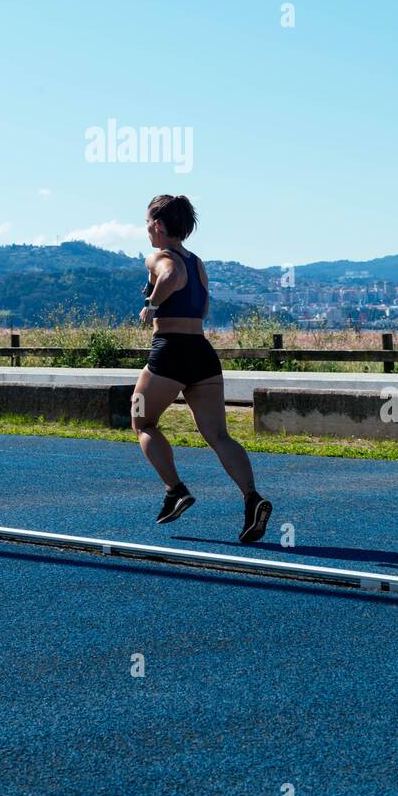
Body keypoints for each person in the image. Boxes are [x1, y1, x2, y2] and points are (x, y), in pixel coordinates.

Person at [131, 193, 272, 543]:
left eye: (147, 222)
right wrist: (160, 292)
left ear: (158, 225)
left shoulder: (160, 257)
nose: (146, 228)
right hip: (202, 353)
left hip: (170, 352)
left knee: (141, 420)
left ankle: (175, 489)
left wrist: (151, 303)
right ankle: (252, 497)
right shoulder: (197, 263)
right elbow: (202, 305)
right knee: (219, 435)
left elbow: (169, 274)